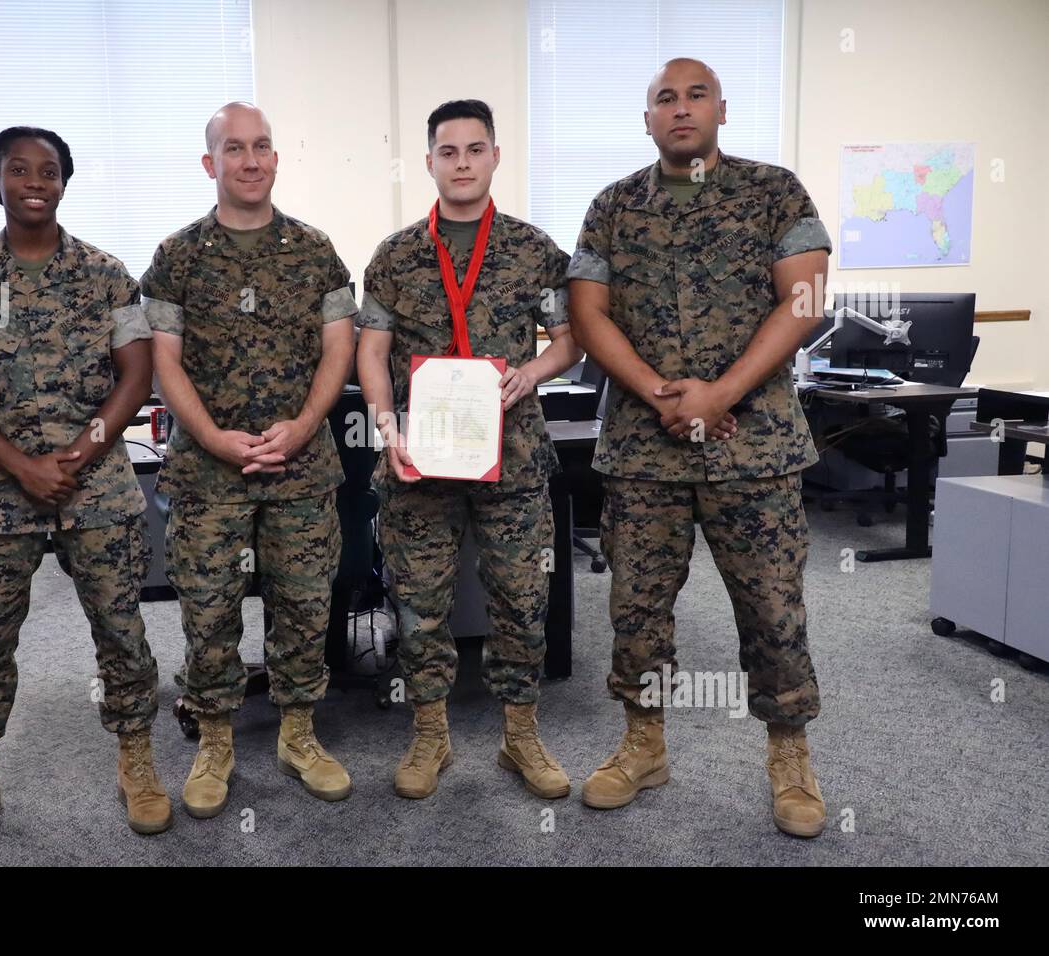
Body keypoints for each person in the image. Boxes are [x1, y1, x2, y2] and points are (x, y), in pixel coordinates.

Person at [567, 59, 831, 837]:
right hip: (645, 452)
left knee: (774, 610)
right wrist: (660, 393)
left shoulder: (774, 190)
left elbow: (806, 297)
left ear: (721, 108)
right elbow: (589, 313)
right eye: (663, 99)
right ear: (646, 118)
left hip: (755, 447)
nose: (679, 109)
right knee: (637, 611)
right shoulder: (613, 206)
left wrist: (720, 393)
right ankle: (643, 744)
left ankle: (790, 755)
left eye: (694, 96)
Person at [0, 126, 169, 853]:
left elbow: (137, 376)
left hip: (96, 488)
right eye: (18, 169)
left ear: (64, 183)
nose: (35, 180)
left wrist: (80, 451)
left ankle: (137, 760)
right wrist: (23, 465)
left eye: (50, 170)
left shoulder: (107, 275)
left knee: (122, 633)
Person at [356, 100, 582, 800]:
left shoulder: (533, 249)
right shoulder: (395, 255)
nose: (461, 162)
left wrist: (532, 372)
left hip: (510, 456)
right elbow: (372, 349)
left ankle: (520, 736)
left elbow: (573, 341)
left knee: (521, 598)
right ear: (428, 161)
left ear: (494, 157)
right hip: (418, 460)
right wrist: (385, 424)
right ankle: (431, 732)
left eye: (474, 149)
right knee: (421, 603)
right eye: (447, 151)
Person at [142, 103, 356, 818]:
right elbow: (163, 362)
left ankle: (298, 734)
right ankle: (215, 741)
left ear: (276, 158)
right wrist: (210, 436)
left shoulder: (316, 250)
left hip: (301, 467)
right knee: (209, 612)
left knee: (304, 606)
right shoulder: (176, 257)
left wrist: (301, 426)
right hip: (210, 475)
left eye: (262, 146)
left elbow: (339, 349)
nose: (251, 159)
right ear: (211, 164)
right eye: (235, 148)